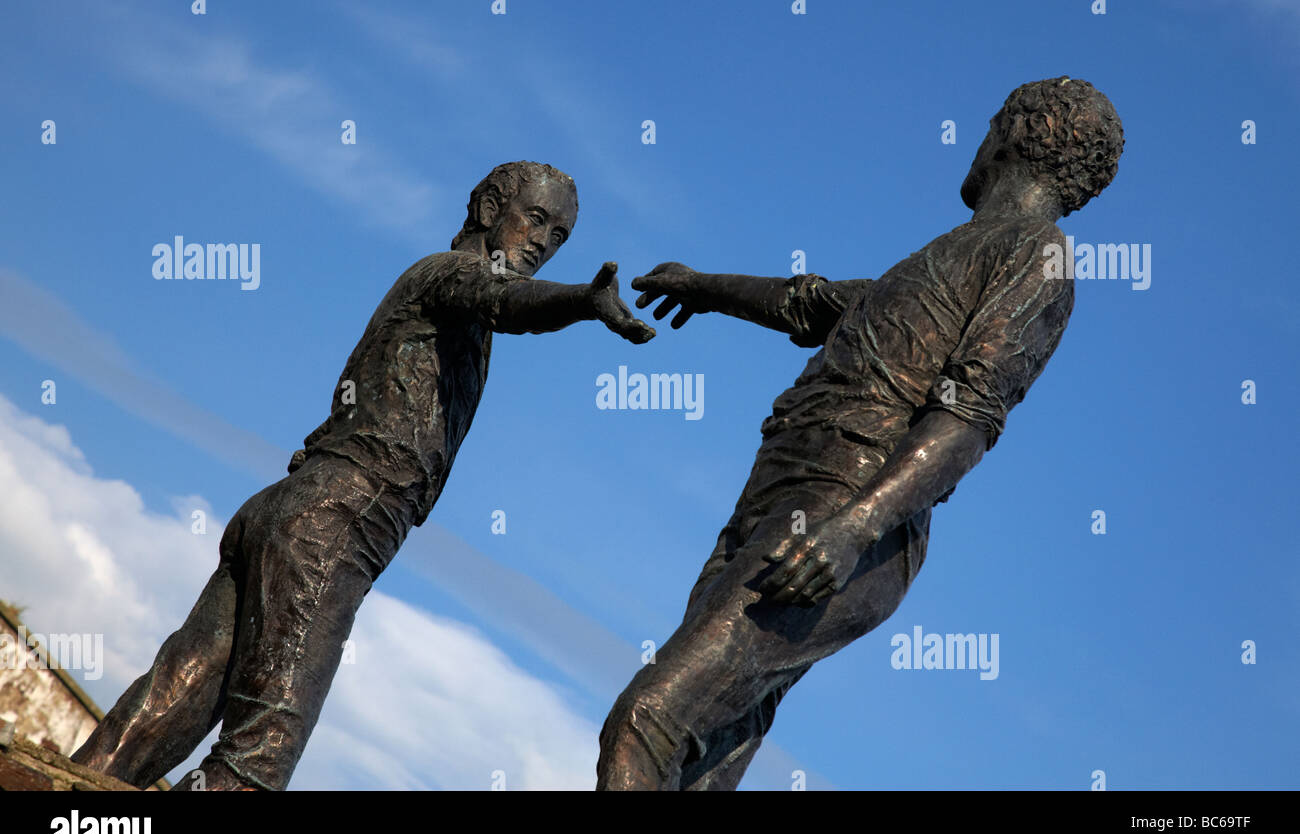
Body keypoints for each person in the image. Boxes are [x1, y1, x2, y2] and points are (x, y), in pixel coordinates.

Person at [597, 78, 1124, 790]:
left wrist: (852, 529)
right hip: (779, 505)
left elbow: (968, 417)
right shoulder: (953, 253)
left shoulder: (1039, 256)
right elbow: (811, 303)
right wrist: (703, 285)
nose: (979, 136)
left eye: (991, 121)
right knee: (701, 764)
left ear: (1021, 132)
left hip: (841, 517)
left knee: (646, 721)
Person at [73, 161, 654, 791]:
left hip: (293, 506)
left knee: (171, 697)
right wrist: (582, 301)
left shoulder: (449, 296)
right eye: (535, 220)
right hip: (336, 520)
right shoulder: (452, 274)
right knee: (255, 763)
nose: (544, 243)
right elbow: (507, 300)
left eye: (560, 236)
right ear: (489, 209)